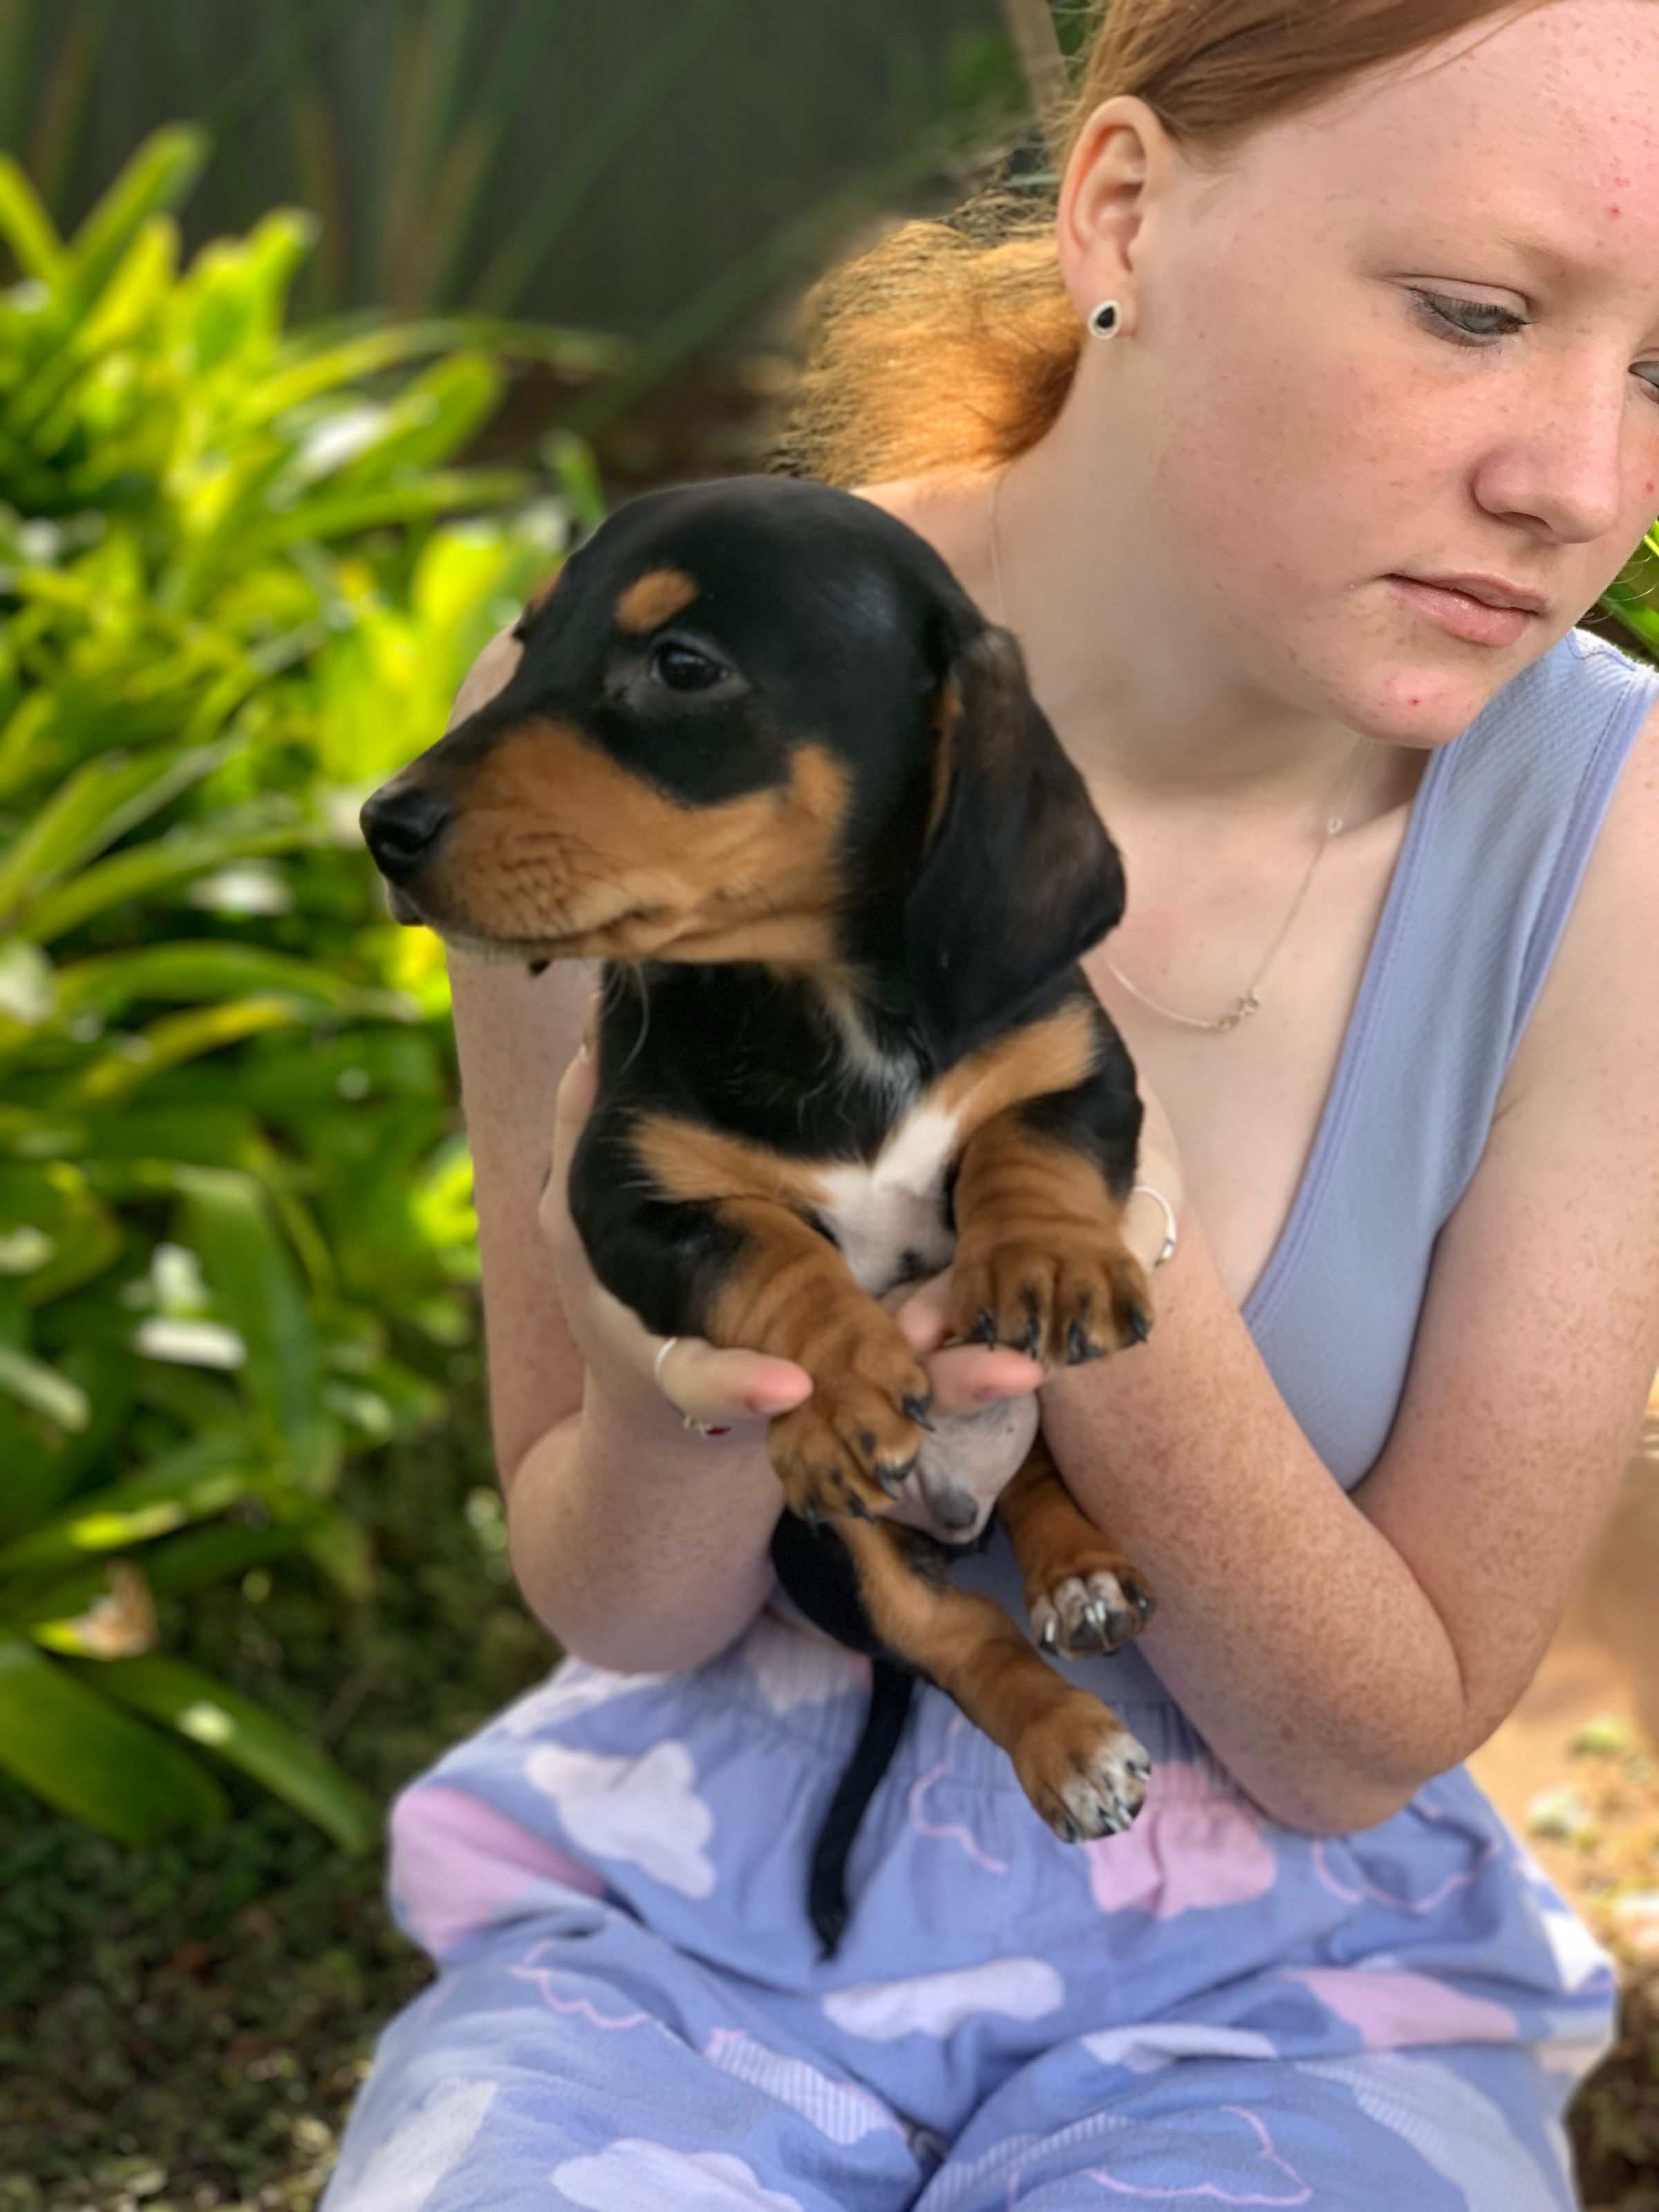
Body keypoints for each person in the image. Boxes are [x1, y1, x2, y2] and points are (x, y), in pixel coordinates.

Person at [319, 2, 1659, 2205]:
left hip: (1280, 1978)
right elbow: (615, 1599)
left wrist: (1084, 1239)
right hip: (695, 1927)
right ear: (1122, 206)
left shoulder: (1601, 845)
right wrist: (686, 1396)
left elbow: (1366, 1736)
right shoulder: (618, 743)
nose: (1578, 482)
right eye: (1475, 314)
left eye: (1656, 372)